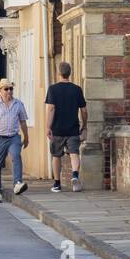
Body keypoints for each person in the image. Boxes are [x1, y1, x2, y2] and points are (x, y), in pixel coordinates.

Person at [45, 62, 88, 193]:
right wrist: (84, 125)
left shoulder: (53, 89)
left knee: (56, 156)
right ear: (70, 73)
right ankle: (75, 176)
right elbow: (84, 110)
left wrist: (48, 126)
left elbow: (51, 108)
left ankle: (57, 184)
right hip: (73, 128)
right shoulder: (77, 89)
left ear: (59, 73)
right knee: (74, 153)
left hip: (57, 129)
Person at [0, 78, 30, 203]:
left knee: (16, 156)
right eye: (6, 89)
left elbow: (23, 122)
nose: (9, 91)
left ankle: (17, 183)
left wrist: (26, 137)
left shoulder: (18, 104)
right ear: (0, 91)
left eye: (11, 88)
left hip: (13, 137)